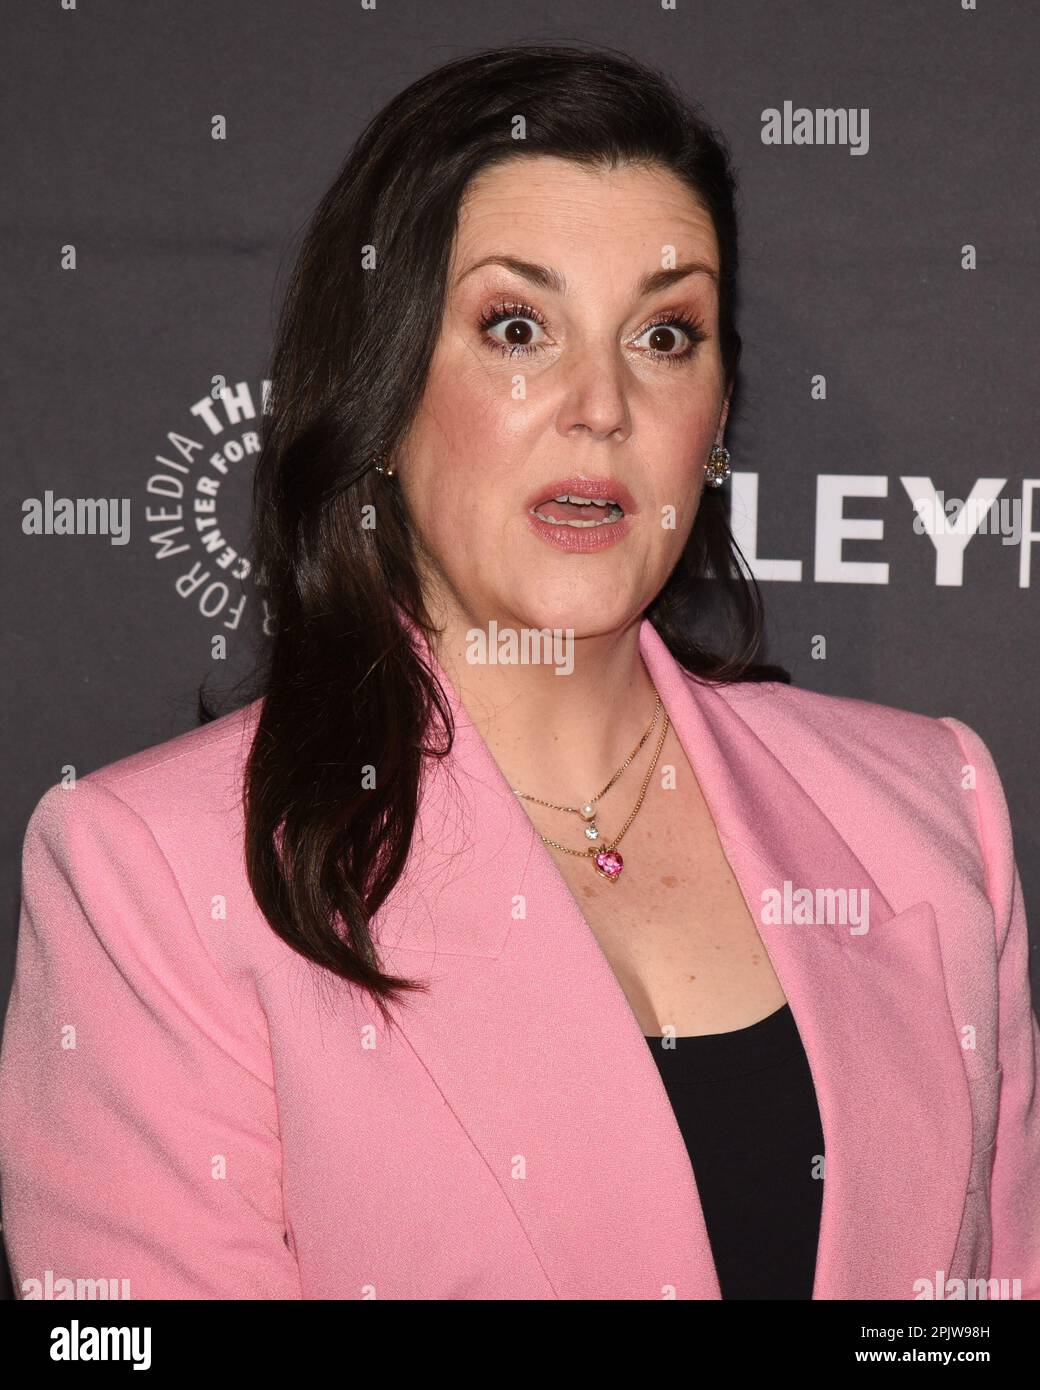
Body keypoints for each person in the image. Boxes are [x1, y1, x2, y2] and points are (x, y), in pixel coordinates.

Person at [1, 43, 1037, 1302]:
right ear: (379, 391)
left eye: (663, 333)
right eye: (515, 327)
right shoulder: (154, 872)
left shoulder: (933, 804)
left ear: (717, 417)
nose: (599, 403)